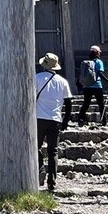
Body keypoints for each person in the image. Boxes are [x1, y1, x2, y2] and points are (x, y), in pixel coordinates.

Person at [34, 52, 73, 193]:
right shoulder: (62, 82)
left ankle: (40, 168)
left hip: (38, 118)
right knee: (53, 151)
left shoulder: (37, 78)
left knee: (35, 147)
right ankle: (52, 180)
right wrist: (66, 120)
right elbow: (69, 103)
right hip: (55, 119)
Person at [76, 45, 108, 125]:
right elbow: (100, 73)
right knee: (101, 104)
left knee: (86, 103)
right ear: (97, 53)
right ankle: (103, 120)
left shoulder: (87, 62)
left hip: (87, 86)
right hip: (97, 85)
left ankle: (81, 119)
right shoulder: (98, 62)